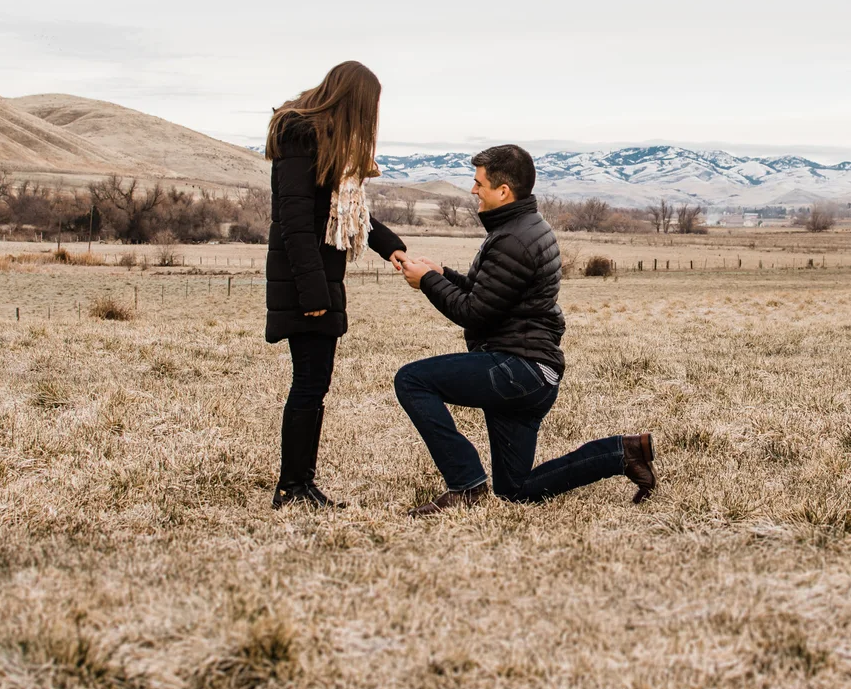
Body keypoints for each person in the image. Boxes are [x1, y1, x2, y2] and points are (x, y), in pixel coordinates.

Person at [393, 144, 656, 515]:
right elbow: (489, 291)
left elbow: (474, 312)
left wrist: (428, 283)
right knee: (516, 489)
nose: (472, 190)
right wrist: (439, 273)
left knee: (411, 380)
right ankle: (624, 452)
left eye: (478, 183)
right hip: (531, 371)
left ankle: (465, 484)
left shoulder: (514, 238)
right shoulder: (522, 229)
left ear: (503, 191)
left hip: (520, 370)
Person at [263, 61, 407, 509]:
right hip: (305, 285)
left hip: (319, 281)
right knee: (309, 383)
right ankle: (292, 487)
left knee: (314, 383)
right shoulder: (299, 136)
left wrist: (395, 249)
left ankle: (301, 482)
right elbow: (295, 223)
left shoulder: (329, 148)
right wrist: (312, 296)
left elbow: (350, 215)